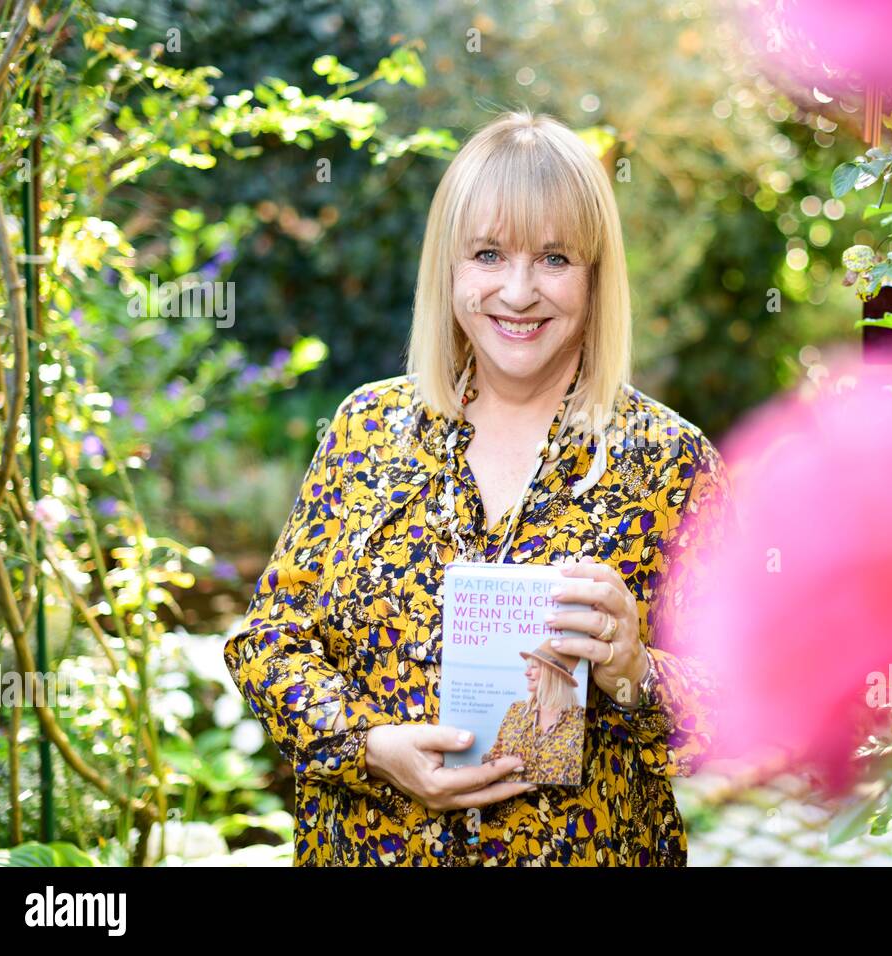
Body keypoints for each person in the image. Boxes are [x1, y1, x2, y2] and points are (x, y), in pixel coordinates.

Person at [223, 108, 733, 866]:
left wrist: (633, 673)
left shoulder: (667, 462)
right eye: (489, 254)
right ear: (450, 269)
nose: (519, 292)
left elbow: (739, 710)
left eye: (555, 258)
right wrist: (369, 746)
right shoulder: (369, 429)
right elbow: (269, 644)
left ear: (596, 278)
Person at [481, 642, 586, 787]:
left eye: (534, 667)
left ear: (552, 673)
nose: (527, 673)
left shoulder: (580, 719)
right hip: (507, 803)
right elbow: (495, 755)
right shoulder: (516, 710)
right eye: (527, 667)